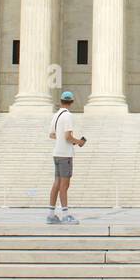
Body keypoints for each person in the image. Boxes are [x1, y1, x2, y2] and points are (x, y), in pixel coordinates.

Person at [47, 91, 85, 224]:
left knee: (56, 184)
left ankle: (51, 215)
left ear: (61, 100)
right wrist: (78, 142)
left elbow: (52, 135)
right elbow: (68, 136)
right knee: (64, 185)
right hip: (65, 154)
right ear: (72, 102)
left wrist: (62, 140)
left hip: (57, 153)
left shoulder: (56, 115)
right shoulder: (68, 116)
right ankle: (65, 215)